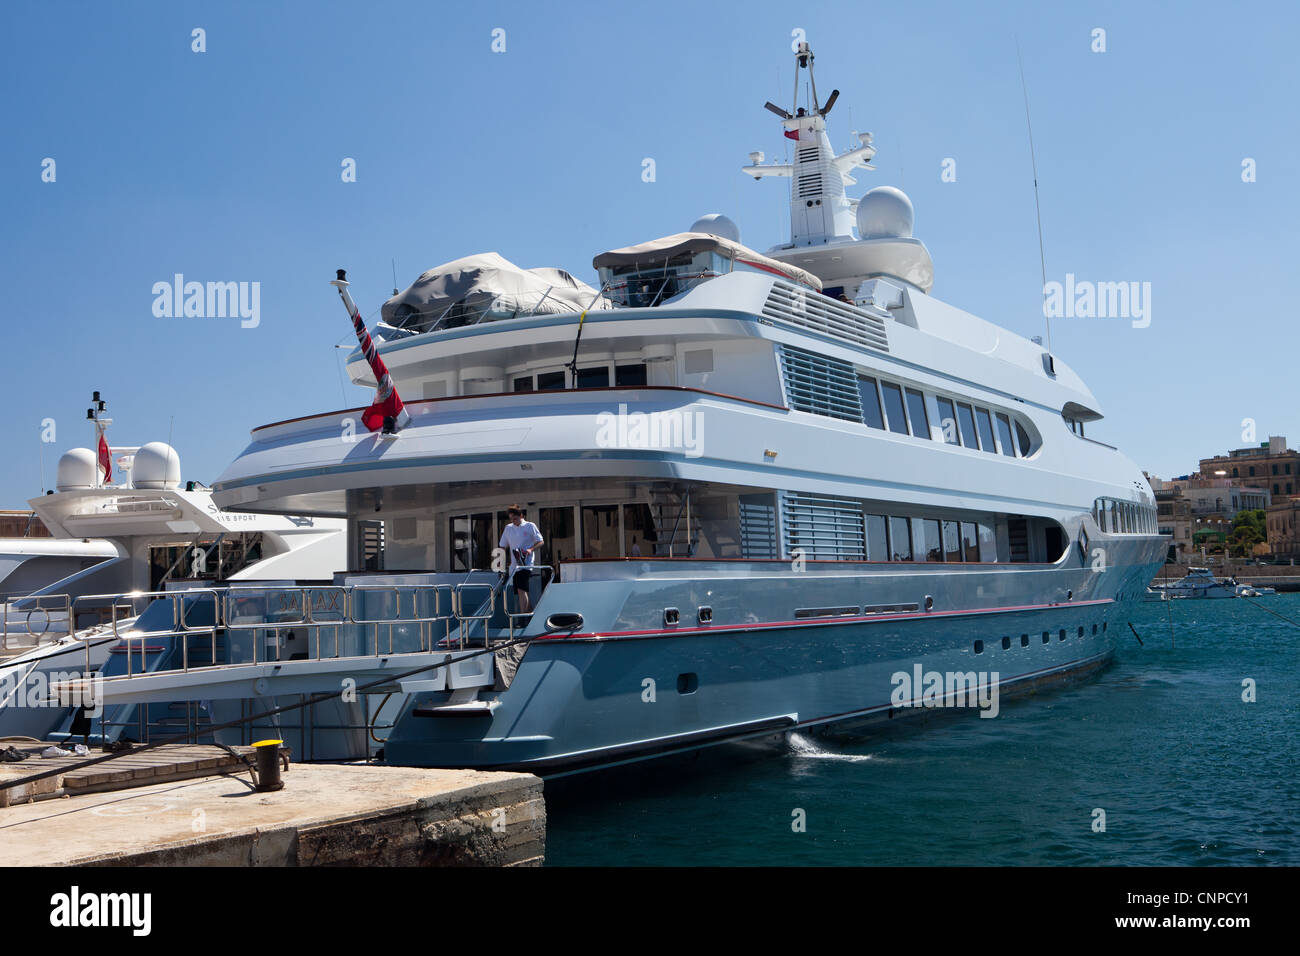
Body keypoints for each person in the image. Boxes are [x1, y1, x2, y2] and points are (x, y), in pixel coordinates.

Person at [499, 505, 544, 613]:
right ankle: (529, 616)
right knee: (521, 592)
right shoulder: (508, 528)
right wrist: (500, 561)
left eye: (515, 518)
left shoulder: (530, 526)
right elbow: (502, 546)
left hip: (526, 564)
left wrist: (530, 549)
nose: (513, 521)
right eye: (511, 519)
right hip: (514, 566)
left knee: (521, 590)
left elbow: (541, 541)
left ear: (521, 516)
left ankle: (523, 617)